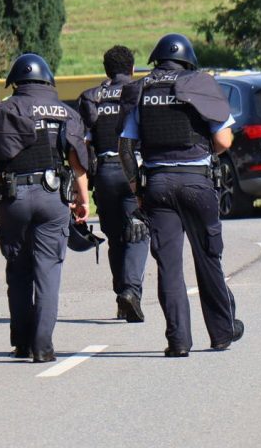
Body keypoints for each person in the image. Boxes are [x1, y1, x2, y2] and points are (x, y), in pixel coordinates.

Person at [117, 33, 244, 357]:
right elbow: (226, 140)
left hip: (158, 185)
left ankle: (178, 341)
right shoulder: (201, 84)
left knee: (169, 267)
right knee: (208, 259)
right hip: (197, 183)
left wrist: (138, 190)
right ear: (188, 60)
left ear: (157, 60)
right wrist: (205, 151)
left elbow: (126, 148)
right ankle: (221, 333)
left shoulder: (143, 90)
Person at [0, 53, 90, 363]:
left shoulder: (3, 111)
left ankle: (22, 343)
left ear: (16, 82)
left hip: (15, 200)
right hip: (53, 199)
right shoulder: (65, 112)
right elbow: (77, 164)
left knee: (19, 271)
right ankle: (42, 346)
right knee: (48, 272)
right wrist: (83, 200)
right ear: (47, 80)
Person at [76, 45, 150, 322]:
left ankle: (122, 295)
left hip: (104, 173)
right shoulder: (139, 91)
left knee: (116, 237)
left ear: (106, 70)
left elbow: (82, 144)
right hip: (133, 170)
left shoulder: (90, 97)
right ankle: (130, 291)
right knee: (138, 231)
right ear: (131, 69)